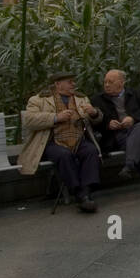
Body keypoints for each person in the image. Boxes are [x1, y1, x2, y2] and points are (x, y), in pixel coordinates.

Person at [19, 71, 103, 212]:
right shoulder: (38, 99)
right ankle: (79, 194)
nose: (73, 84)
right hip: (51, 141)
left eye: (73, 81)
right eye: (70, 82)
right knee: (64, 155)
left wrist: (94, 113)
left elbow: (96, 120)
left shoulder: (81, 98)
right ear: (58, 84)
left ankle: (86, 192)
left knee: (91, 151)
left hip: (78, 139)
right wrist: (55, 118)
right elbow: (29, 120)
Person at [91, 69, 140, 200]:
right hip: (117, 135)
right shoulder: (97, 99)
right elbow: (95, 122)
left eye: (110, 82)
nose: (106, 85)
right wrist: (108, 123)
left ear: (121, 83)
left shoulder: (136, 94)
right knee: (139, 144)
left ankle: (129, 164)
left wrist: (133, 119)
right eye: (105, 82)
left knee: (139, 128)